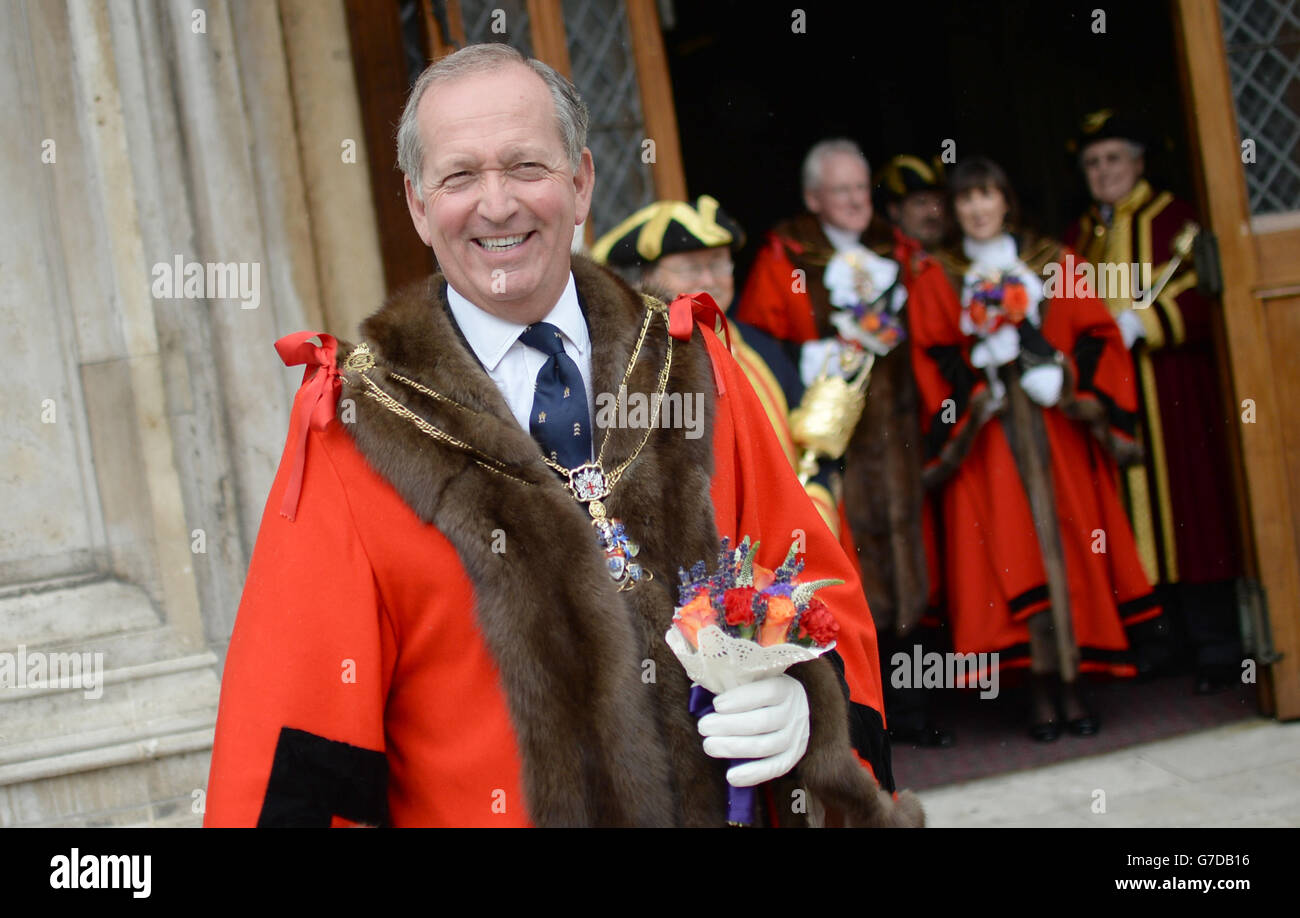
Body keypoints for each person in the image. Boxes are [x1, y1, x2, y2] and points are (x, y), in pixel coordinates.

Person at [203, 44, 921, 828]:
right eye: (460, 176)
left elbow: (816, 585)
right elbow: (297, 748)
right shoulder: (357, 429)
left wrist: (806, 699)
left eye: (525, 167)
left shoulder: (692, 364)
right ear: (416, 206)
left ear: (580, 183)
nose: (497, 203)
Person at [908, 156, 1160, 741]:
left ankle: (1076, 684)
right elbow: (928, 356)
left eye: (986, 196)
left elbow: (1099, 332)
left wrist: (1066, 382)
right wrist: (978, 387)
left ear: (1006, 201)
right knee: (1009, 554)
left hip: (1056, 435)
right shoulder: (938, 277)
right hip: (991, 443)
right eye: (966, 199)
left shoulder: (1056, 263)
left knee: (1069, 548)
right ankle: (1040, 693)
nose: (976, 209)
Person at [733, 140, 943, 747]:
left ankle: (922, 707)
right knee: (853, 567)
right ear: (812, 198)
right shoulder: (785, 254)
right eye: (840, 190)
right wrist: (815, 352)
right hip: (831, 437)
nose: (854, 201)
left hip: (897, 434)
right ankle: (878, 710)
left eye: (860, 188)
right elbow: (759, 349)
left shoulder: (897, 249)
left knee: (911, 554)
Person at [1064, 109, 1243, 693]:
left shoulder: (1176, 218)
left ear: (1138, 162)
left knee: (1188, 513)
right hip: (1108, 406)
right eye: (1092, 162)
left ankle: (1218, 646)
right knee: (1127, 524)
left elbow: (1215, 286)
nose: (1103, 171)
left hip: (1169, 395)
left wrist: (1147, 320)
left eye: (1113, 158)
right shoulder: (1079, 234)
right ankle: (1160, 642)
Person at [591, 194, 847, 541]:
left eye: (718, 264)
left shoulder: (764, 349)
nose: (709, 279)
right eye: (692, 268)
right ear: (648, 277)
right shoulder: (632, 364)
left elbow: (812, 453)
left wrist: (817, 502)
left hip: (787, 546)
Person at [875, 153, 950, 286]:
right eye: (921, 202)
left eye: (939, 202)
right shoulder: (877, 263)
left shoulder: (959, 261)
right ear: (894, 210)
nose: (934, 212)